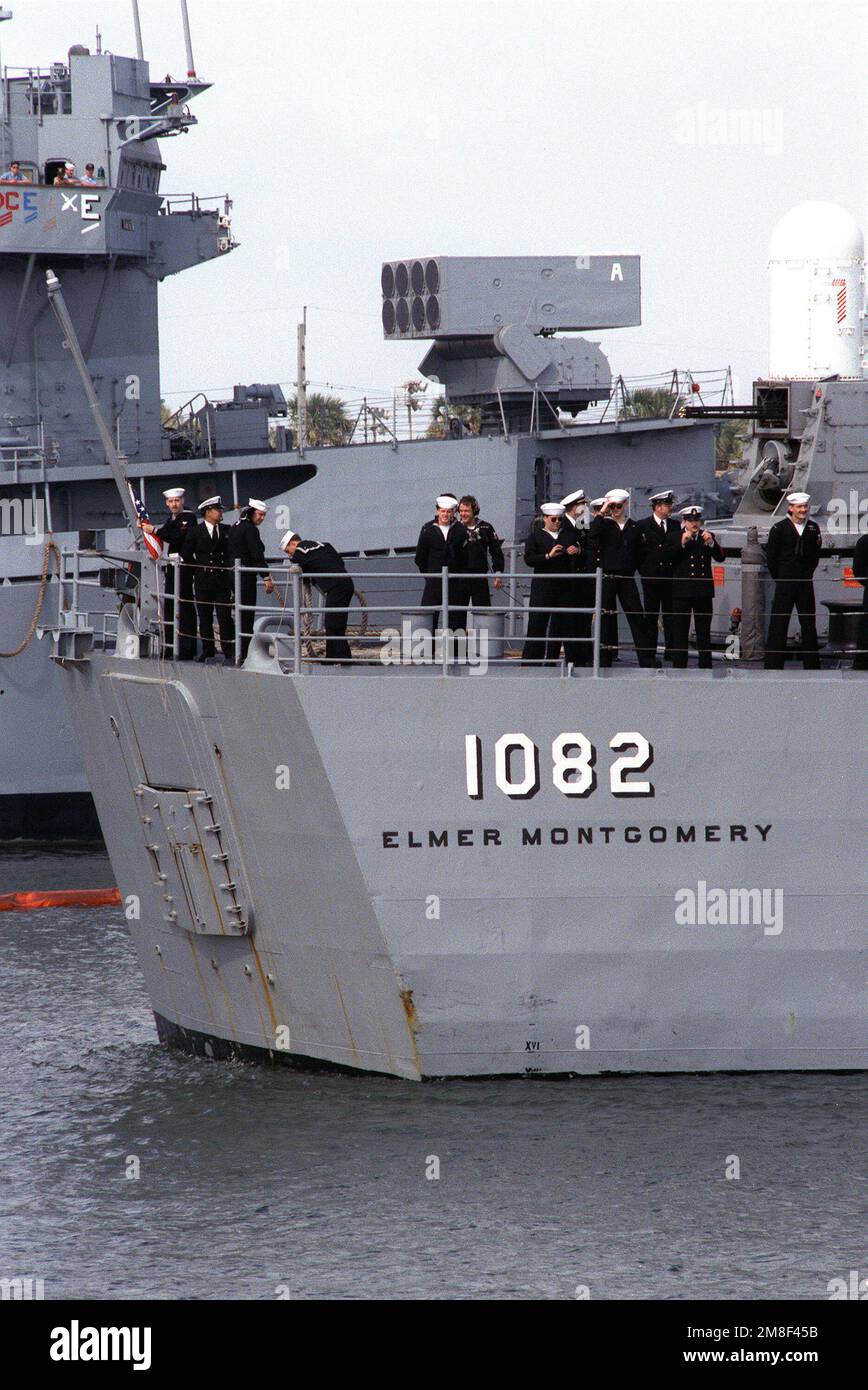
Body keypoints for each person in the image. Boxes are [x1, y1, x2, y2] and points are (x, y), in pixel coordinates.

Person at [589, 488, 656, 667]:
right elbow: (592, 535)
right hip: (608, 576)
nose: (616, 509)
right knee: (606, 618)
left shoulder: (633, 527)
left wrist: (645, 575)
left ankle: (646, 658)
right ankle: (604, 658)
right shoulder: (603, 525)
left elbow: (641, 554)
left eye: (618, 506)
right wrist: (602, 512)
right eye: (613, 506)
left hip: (627, 577)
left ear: (625, 505)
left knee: (636, 616)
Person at [763, 492, 822, 670]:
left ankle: (811, 665)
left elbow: (815, 556)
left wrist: (806, 573)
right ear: (791, 508)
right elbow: (771, 558)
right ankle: (774, 665)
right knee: (779, 624)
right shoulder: (779, 529)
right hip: (785, 583)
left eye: (805, 506)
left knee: (808, 624)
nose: (803, 510)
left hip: (804, 583)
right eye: (799, 507)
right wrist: (781, 577)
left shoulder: (813, 528)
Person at [138, 486, 197, 658]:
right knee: (171, 606)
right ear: (167, 503)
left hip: (184, 568)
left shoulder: (188, 518)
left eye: (177, 501)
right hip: (172, 567)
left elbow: (176, 536)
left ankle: (187, 647)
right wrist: (145, 526)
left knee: (184, 606)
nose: (174, 504)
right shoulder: (171, 519)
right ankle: (172, 645)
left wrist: (154, 530)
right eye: (171, 502)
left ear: (182, 501)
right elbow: (166, 533)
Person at [280, 531, 355, 663]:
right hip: (346, 583)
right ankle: (332, 658)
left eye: (288, 550)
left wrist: (303, 574)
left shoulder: (299, 551)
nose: (289, 554)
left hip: (335, 588)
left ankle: (343, 659)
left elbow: (298, 562)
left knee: (333, 625)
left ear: (293, 543)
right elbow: (339, 561)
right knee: (337, 623)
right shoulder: (324, 545)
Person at [522, 502, 583, 665]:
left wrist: (577, 551)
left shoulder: (569, 536)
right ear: (545, 518)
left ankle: (572, 661)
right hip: (543, 585)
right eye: (553, 519)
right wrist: (548, 556)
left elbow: (583, 551)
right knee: (537, 624)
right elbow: (529, 559)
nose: (557, 523)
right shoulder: (535, 537)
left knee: (567, 624)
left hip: (564, 586)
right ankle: (531, 662)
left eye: (559, 520)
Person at [180, 496, 235, 661]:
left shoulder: (227, 530)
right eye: (218, 510)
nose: (220, 513)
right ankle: (208, 649)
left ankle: (228, 650)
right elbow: (186, 554)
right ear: (208, 512)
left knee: (224, 616)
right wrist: (199, 567)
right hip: (203, 580)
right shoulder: (195, 532)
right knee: (205, 617)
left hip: (222, 580)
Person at [670, 505, 724, 668]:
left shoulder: (707, 536)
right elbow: (666, 556)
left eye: (697, 520)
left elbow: (720, 558)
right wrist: (681, 543)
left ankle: (705, 664)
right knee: (680, 630)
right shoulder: (675, 536)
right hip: (682, 591)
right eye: (691, 520)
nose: (694, 523)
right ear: (684, 521)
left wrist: (711, 543)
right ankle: (679, 665)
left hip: (703, 592)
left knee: (703, 631)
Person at [226, 499, 274, 663]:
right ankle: (243, 654)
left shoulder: (235, 526)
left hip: (233, 576)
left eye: (264, 516)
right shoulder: (250, 530)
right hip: (245, 578)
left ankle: (234, 651)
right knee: (246, 615)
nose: (262, 518)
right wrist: (266, 576)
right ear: (252, 512)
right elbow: (256, 555)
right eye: (260, 515)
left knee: (238, 614)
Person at [637, 489, 681, 663]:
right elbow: (638, 553)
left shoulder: (675, 526)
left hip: (670, 578)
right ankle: (650, 651)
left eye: (670, 505)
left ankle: (671, 650)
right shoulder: (643, 526)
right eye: (667, 505)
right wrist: (644, 571)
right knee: (651, 616)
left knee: (671, 616)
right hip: (651, 578)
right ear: (657, 507)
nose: (670, 508)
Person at [413, 494, 468, 633]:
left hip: (455, 581)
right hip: (434, 581)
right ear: (438, 511)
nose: (445, 514)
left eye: (449, 511)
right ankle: (426, 653)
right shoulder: (428, 529)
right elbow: (420, 557)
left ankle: (456, 653)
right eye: (443, 511)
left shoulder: (460, 530)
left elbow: (465, 556)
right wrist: (430, 575)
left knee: (457, 620)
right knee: (428, 618)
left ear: (453, 512)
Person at [455, 496, 504, 616]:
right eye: (461, 511)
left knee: (483, 612)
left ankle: (482, 635)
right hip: (459, 576)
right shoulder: (455, 528)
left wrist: (498, 572)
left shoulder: (486, 527)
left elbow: (496, 551)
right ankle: (457, 635)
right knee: (456, 613)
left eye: (466, 511)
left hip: (480, 576)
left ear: (474, 511)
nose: (463, 514)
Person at [560, 489, 594, 665]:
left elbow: (589, 547)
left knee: (584, 618)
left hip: (583, 579)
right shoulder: (562, 523)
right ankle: (572, 656)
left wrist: (580, 550)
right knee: (569, 620)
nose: (586, 507)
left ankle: (585, 655)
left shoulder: (583, 523)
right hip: (568, 580)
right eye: (583, 504)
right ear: (574, 507)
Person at [852, 532, 868, 671]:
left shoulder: (863, 541)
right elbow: (857, 570)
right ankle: (862, 662)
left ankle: (861, 663)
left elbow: (858, 571)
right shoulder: (864, 542)